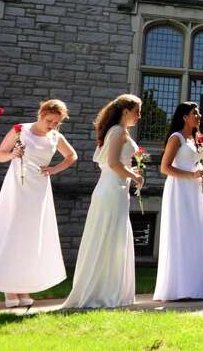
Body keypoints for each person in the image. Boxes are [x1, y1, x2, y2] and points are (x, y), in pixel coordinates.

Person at [0, 99, 77, 308]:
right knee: (13, 233)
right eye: (50, 121)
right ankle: (9, 289)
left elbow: (72, 156)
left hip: (39, 191)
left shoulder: (56, 136)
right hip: (17, 188)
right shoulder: (20, 130)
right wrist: (12, 155)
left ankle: (23, 286)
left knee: (30, 236)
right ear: (41, 113)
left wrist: (54, 170)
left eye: (57, 123)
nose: (52, 126)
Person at [63, 94, 143, 309]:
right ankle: (101, 292)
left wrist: (131, 172)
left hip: (115, 188)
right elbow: (113, 163)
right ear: (125, 111)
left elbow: (116, 164)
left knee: (114, 238)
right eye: (137, 111)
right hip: (111, 189)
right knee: (108, 237)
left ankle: (111, 289)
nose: (139, 115)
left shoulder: (119, 132)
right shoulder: (117, 131)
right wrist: (135, 176)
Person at [153, 102, 203, 301]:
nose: (199, 115)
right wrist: (191, 175)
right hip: (180, 190)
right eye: (194, 113)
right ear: (184, 117)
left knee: (197, 233)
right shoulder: (176, 137)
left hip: (195, 191)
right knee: (182, 233)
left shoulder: (197, 139)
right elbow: (165, 168)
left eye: (199, 112)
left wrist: (202, 175)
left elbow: (196, 164)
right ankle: (180, 287)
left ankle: (196, 285)